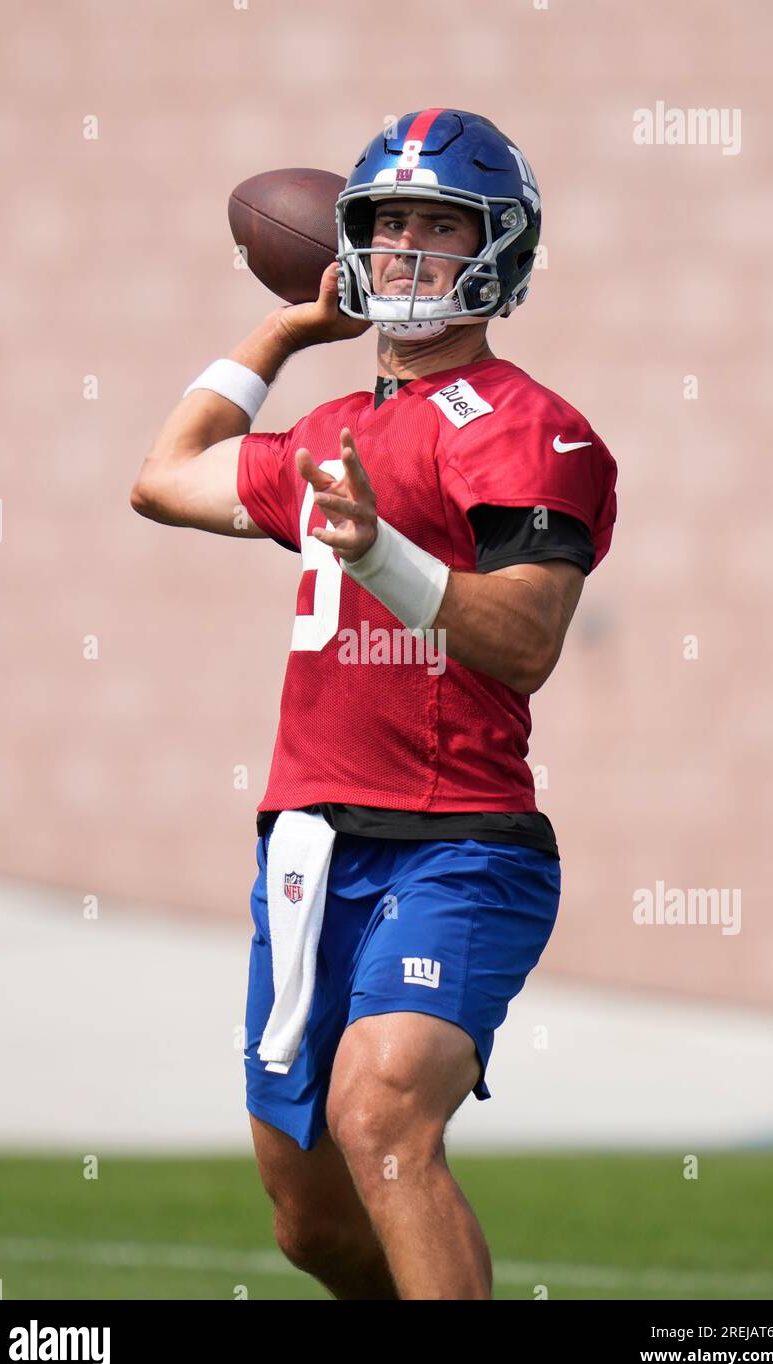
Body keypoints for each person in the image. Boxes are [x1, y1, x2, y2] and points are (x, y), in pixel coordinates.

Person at [131, 108, 617, 1300]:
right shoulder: (331, 432)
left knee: (381, 1115)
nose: (405, 250)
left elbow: (528, 643)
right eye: (385, 222)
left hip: (459, 841)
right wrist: (290, 325)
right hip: (304, 847)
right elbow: (163, 476)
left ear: (492, 252)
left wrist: (378, 552)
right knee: (309, 1222)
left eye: (437, 225)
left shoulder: (530, 425)